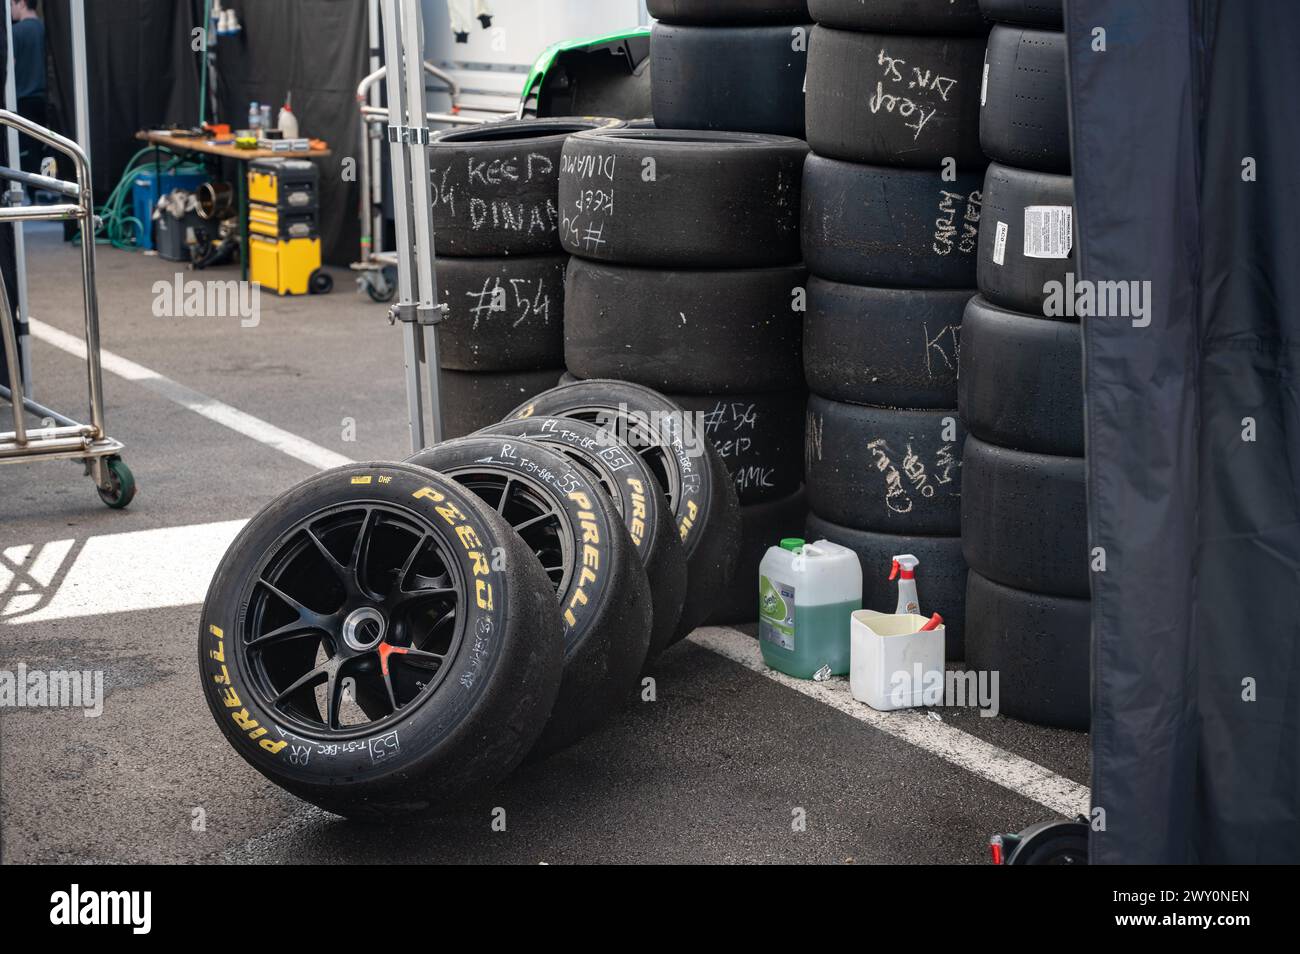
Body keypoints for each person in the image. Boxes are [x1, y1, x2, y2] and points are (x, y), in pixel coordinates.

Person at [11, 0, 46, 173]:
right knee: (45, 148)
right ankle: (48, 189)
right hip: (46, 100)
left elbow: (10, 66)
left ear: (22, 3)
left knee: (27, 152)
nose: (10, 10)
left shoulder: (15, 32)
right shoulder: (45, 30)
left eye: (12, 4)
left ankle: (32, 192)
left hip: (23, 100)